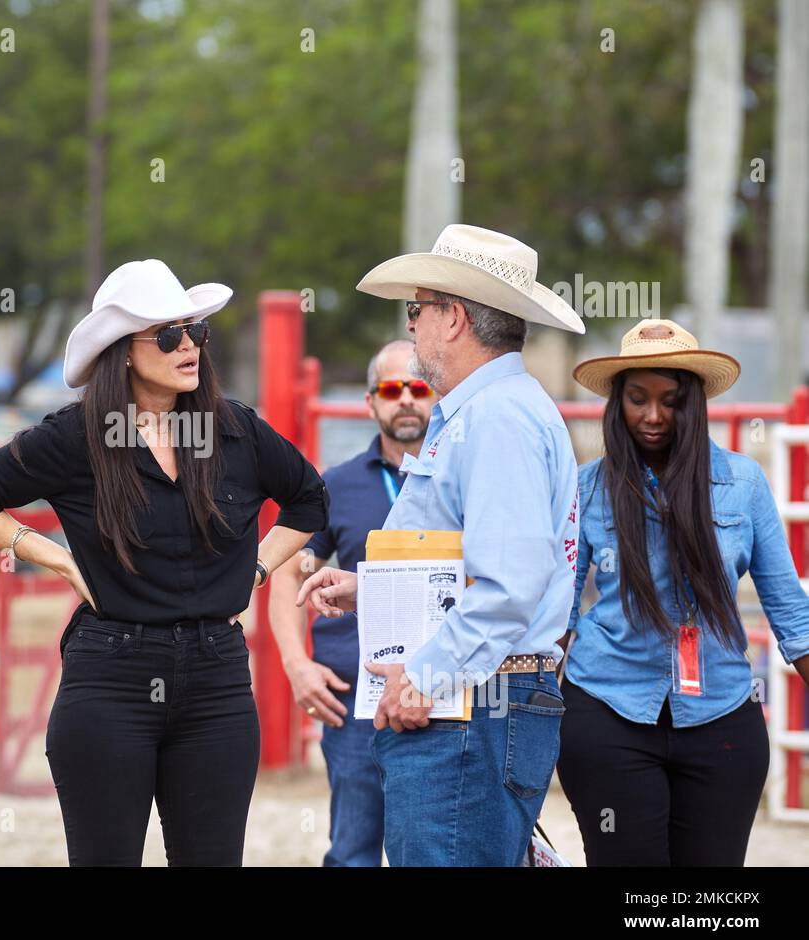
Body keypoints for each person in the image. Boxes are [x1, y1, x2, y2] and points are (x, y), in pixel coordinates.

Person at [0, 259, 329, 866]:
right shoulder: (76, 437)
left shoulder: (234, 431)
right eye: (168, 335)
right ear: (122, 352)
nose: (189, 347)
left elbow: (310, 500)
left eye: (195, 332)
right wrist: (60, 562)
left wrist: (253, 570)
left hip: (217, 681)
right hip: (110, 677)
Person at [297, 224, 586, 866]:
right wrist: (369, 590)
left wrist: (422, 678)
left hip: (472, 706)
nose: (413, 329)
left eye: (417, 310)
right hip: (483, 699)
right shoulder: (489, 411)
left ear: (453, 317)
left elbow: (508, 586)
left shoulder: (495, 418)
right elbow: (475, 561)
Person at [558, 319, 809, 866]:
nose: (653, 416)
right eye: (638, 399)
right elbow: (560, 608)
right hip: (605, 711)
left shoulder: (744, 485)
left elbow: (791, 611)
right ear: (617, 403)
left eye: (671, 400)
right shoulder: (587, 488)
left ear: (693, 404)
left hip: (722, 720)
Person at [267, 339, 433, 866]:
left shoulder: (464, 479)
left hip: (448, 687)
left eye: (418, 387)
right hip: (355, 694)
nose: (405, 399)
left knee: (441, 848)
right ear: (370, 402)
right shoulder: (333, 485)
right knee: (354, 851)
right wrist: (297, 667)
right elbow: (286, 573)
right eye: (391, 388)